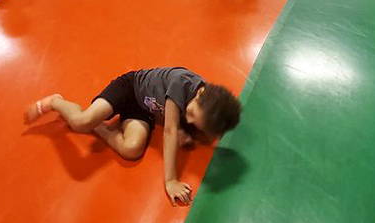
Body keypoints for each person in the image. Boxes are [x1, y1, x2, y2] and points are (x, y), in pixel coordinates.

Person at [24, 67, 242, 206]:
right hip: (129, 89)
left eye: (195, 122)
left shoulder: (206, 106)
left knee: (132, 149)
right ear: (201, 93)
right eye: (191, 114)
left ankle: (98, 125)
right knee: (81, 122)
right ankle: (55, 102)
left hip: (144, 111)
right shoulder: (181, 83)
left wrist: (193, 132)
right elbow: (169, 132)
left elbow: (205, 127)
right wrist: (171, 180)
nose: (190, 120)